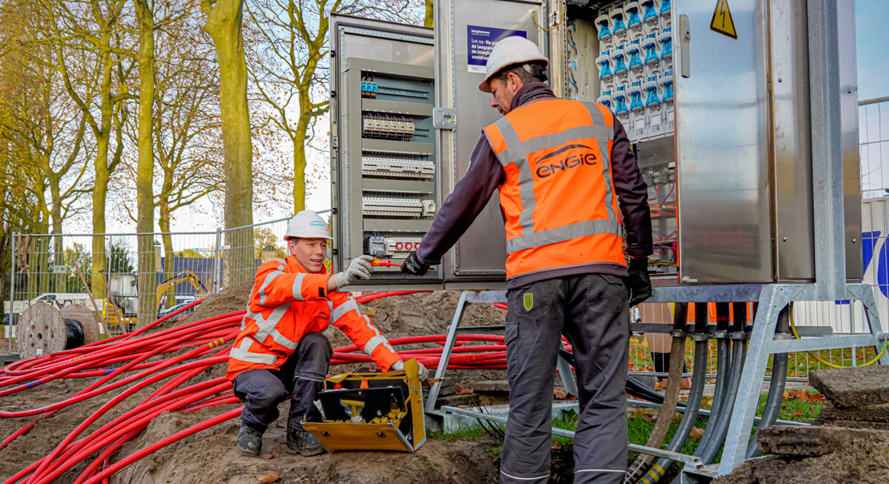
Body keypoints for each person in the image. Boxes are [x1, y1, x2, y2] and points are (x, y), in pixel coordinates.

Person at [400, 36, 653, 484]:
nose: (494, 102)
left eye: (495, 90)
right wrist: (639, 261)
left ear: (513, 80)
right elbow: (632, 193)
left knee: (530, 400)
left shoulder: (503, 135)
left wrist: (423, 256)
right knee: (604, 398)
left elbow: (463, 203)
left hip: (536, 282)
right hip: (603, 277)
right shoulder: (599, 118)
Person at [228, 210, 422, 457]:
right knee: (269, 392)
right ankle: (252, 427)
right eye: (311, 244)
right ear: (292, 245)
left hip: (287, 367)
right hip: (252, 365)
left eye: (322, 245)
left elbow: (360, 327)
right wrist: (338, 279)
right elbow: (290, 286)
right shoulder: (273, 270)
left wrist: (396, 364)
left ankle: (299, 430)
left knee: (317, 342)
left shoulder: (330, 287)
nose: (319, 251)